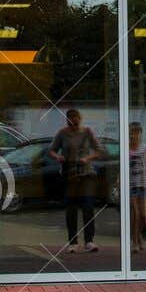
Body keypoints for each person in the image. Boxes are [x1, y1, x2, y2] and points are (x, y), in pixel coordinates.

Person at [48, 108, 103, 253]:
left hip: (85, 173)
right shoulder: (62, 133)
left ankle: (89, 241)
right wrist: (58, 157)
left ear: (80, 119)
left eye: (76, 123)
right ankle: (72, 242)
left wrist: (87, 158)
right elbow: (51, 150)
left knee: (88, 208)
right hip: (69, 173)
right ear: (67, 121)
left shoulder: (87, 132)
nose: (74, 126)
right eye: (71, 123)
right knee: (71, 209)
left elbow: (99, 150)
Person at [127, 120, 146, 254]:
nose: (134, 136)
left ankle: (138, 236)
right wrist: (120, 180)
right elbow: (122, 167)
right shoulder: (126, 148)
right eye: (132, 133)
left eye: (136, 133)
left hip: (143, 185)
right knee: (135, 215)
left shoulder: (145, 148)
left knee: (143, 216)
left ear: (140, 134)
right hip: (131, 185)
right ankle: (135, 242)